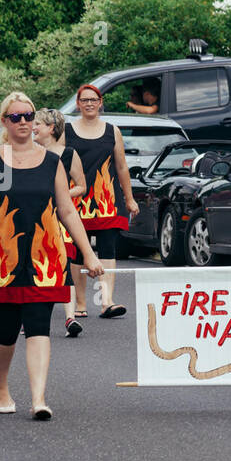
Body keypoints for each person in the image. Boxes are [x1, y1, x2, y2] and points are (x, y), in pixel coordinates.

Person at [0, 92, 104, 419]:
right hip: (1, 259)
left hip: (46, 258)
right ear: (4, 121)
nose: (24, 122)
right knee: (6, 329)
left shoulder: (51, 161)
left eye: (28, 115)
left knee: (39, 325)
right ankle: (0, 385)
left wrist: (88, 254)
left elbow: (68, 211)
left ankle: (39, 398)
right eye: (16, 117)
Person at [63, 83, 138, 318]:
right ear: (78, 104)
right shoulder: (67, 130)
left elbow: (122, 166)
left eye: (93, 100)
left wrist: (129, 198)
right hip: (75, 200)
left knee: (107, 249)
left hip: (107, 201)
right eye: (84, 100)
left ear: (100, 102)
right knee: (76, 252)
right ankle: (81, 303)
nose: (89, 104)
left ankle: (107, 301)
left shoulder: (112, 131)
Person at [34, 108, 87, 337]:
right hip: (35, 219)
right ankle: (31, 316)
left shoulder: (68, 153)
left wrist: (61, 194)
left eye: (38, 123)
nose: (33, 127)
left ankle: (70, 318)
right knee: (34, 267)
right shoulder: (30, 152)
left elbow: (82, 186)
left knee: (64, 267)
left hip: (61, 220)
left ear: (51, 129)